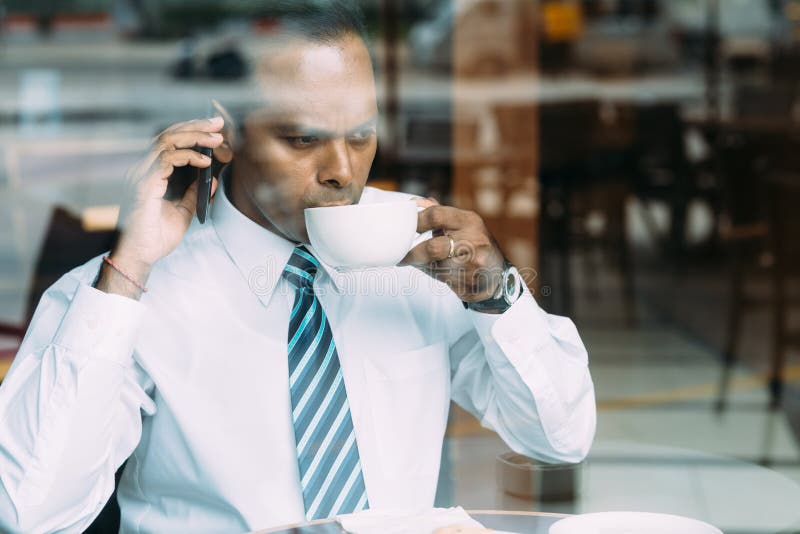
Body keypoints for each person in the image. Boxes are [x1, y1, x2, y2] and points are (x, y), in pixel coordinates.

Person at [0, 2, 595, 532]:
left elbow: (560, 438)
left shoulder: (421, 247)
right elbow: (31, 514)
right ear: (223, 131)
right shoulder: (132, 284)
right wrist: (127, 268)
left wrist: (498, 299)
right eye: (304, 140)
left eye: (362, 135)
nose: (343, 171)